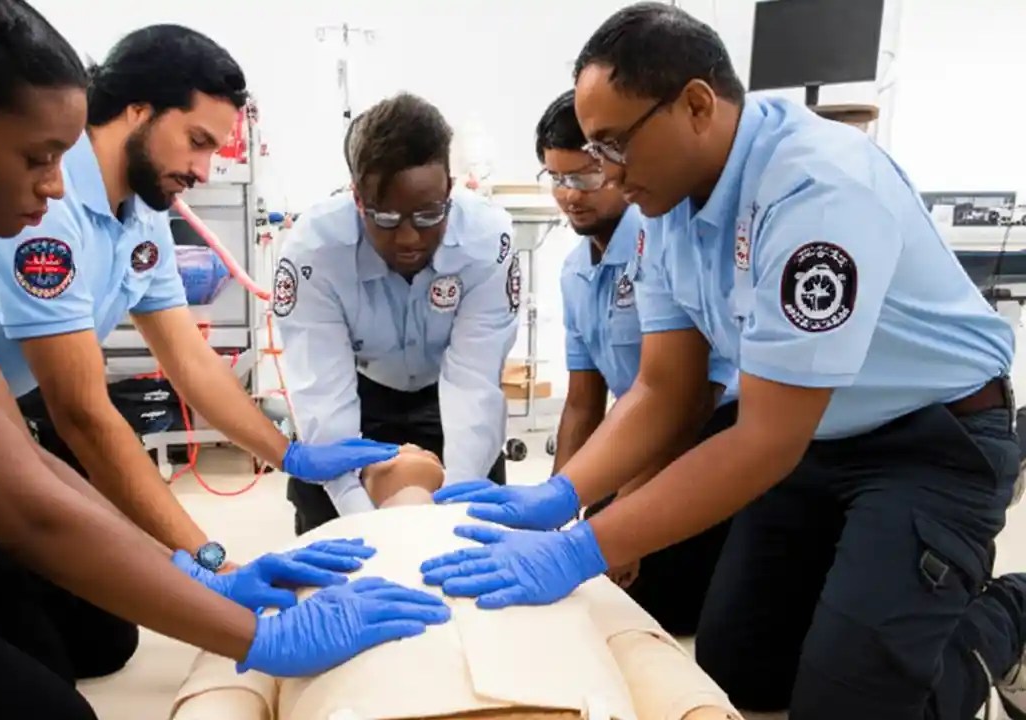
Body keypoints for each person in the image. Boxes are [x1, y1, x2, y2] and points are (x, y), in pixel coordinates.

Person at [0, 2, 450, 718]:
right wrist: (255, 632)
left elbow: (39, 455)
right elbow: (40, 478)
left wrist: (206, 553)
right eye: (38, 157)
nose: (54, 185)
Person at [424, 4, 1026, 719]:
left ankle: (1008, 617)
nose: (605, 173)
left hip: (931, 440)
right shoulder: (666, 208)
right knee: (738, 668)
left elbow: (764, 440)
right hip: (819, 438)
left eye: (614, 145)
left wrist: (579, 549)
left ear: (697, 106)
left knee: (850, 708)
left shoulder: (816, 191)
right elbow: (665, 389)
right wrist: (560, 497)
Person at [0, 23, 399, 681]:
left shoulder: (142, 211)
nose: (203, 171)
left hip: (18, 407)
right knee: (37, 663)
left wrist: (287, 451)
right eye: (198, 142)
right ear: (137, 109)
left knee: (105, 640)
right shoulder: (45, 209)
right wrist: (209, 562)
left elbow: (189, 360)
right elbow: (82, 413)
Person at [441, 88, 738, 636]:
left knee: (645, 602)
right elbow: (582, 403)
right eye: (555, 178)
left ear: (619, 167)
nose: (568, 196)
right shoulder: (576, 270)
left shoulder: (661, 243)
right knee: (565, 562)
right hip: (637, 432)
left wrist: (619, 517)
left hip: (704, 432)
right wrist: (549, 514)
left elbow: (688, 400)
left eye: (583, 178)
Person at [167, 449, 743, 720]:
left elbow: (632, 635)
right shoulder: (305, 551)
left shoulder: (529, 549)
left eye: (419, 450)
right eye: (389, 455)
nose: (410, 453)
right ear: (358, 484)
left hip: (561, 703)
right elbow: (234, 652)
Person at [278, 92, 521, 535]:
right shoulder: (315, 249)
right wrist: (362, 522)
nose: (409, 238)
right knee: (330, 546)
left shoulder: (487, 240)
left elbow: (474, 381)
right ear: (357, 199)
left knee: (475, 538)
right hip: (358, 392)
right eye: (386, 218)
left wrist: (456, 505)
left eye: (429, 215)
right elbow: (323, 395)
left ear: (451, 187)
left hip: (445, 395)